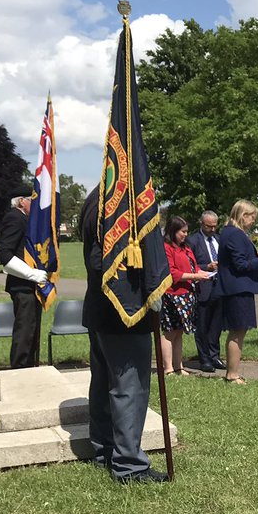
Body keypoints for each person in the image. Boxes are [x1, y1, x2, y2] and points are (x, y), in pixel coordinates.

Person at [79, 188, 167, 483]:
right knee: (129, 389)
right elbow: (101, 259)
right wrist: (150, 287)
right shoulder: (126, 199)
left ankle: (105, 450)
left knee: (103, 385)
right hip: (124, 310)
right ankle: (129, 464)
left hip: (100, 310)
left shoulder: (97, 197)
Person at [213, 200, 258, 385]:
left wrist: (255, 255)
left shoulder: (232, 233)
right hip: (237, 289)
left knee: (239, 331)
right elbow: (240, 265)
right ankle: (232, 374)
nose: (253, 221)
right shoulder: (235, 234)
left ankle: (233, 372)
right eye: (252, 217)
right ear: (243, 215)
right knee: (237, 331)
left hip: (239, 288)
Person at [0, 184, 47, 368]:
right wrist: (30, 273)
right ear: (20, 201)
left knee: (31, 331)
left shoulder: (24, 219)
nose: (34, 203)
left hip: (30, 285)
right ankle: (20, 368)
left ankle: (29, 366)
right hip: (22, 284)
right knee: (24, 332)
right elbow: (5, 253)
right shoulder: (15, 218)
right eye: (31, 200)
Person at [160, 216, 211, 375]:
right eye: (182, 232)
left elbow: (194, 267)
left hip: (187, 294)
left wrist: (203, 273)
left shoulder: (186, 248)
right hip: (172, 295)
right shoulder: (167, 247)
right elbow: (172, 272)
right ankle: (168, 368)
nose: (185, 235)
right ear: (173, 230)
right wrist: (195, 276)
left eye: (187, 232)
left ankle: (178, 366)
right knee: (170, 332)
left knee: (179, 332)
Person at [186, 211, 225, 372]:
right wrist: (206, 267)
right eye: (209, 226)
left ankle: (215, 355)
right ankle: (205, 358)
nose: (212, 229)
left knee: (216, 324)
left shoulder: (219, 239)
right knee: (202, 324)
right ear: (201, 223)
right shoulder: (193, 240)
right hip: (203, 287)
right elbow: (188, 264)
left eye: (215, 226)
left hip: (220, 287)